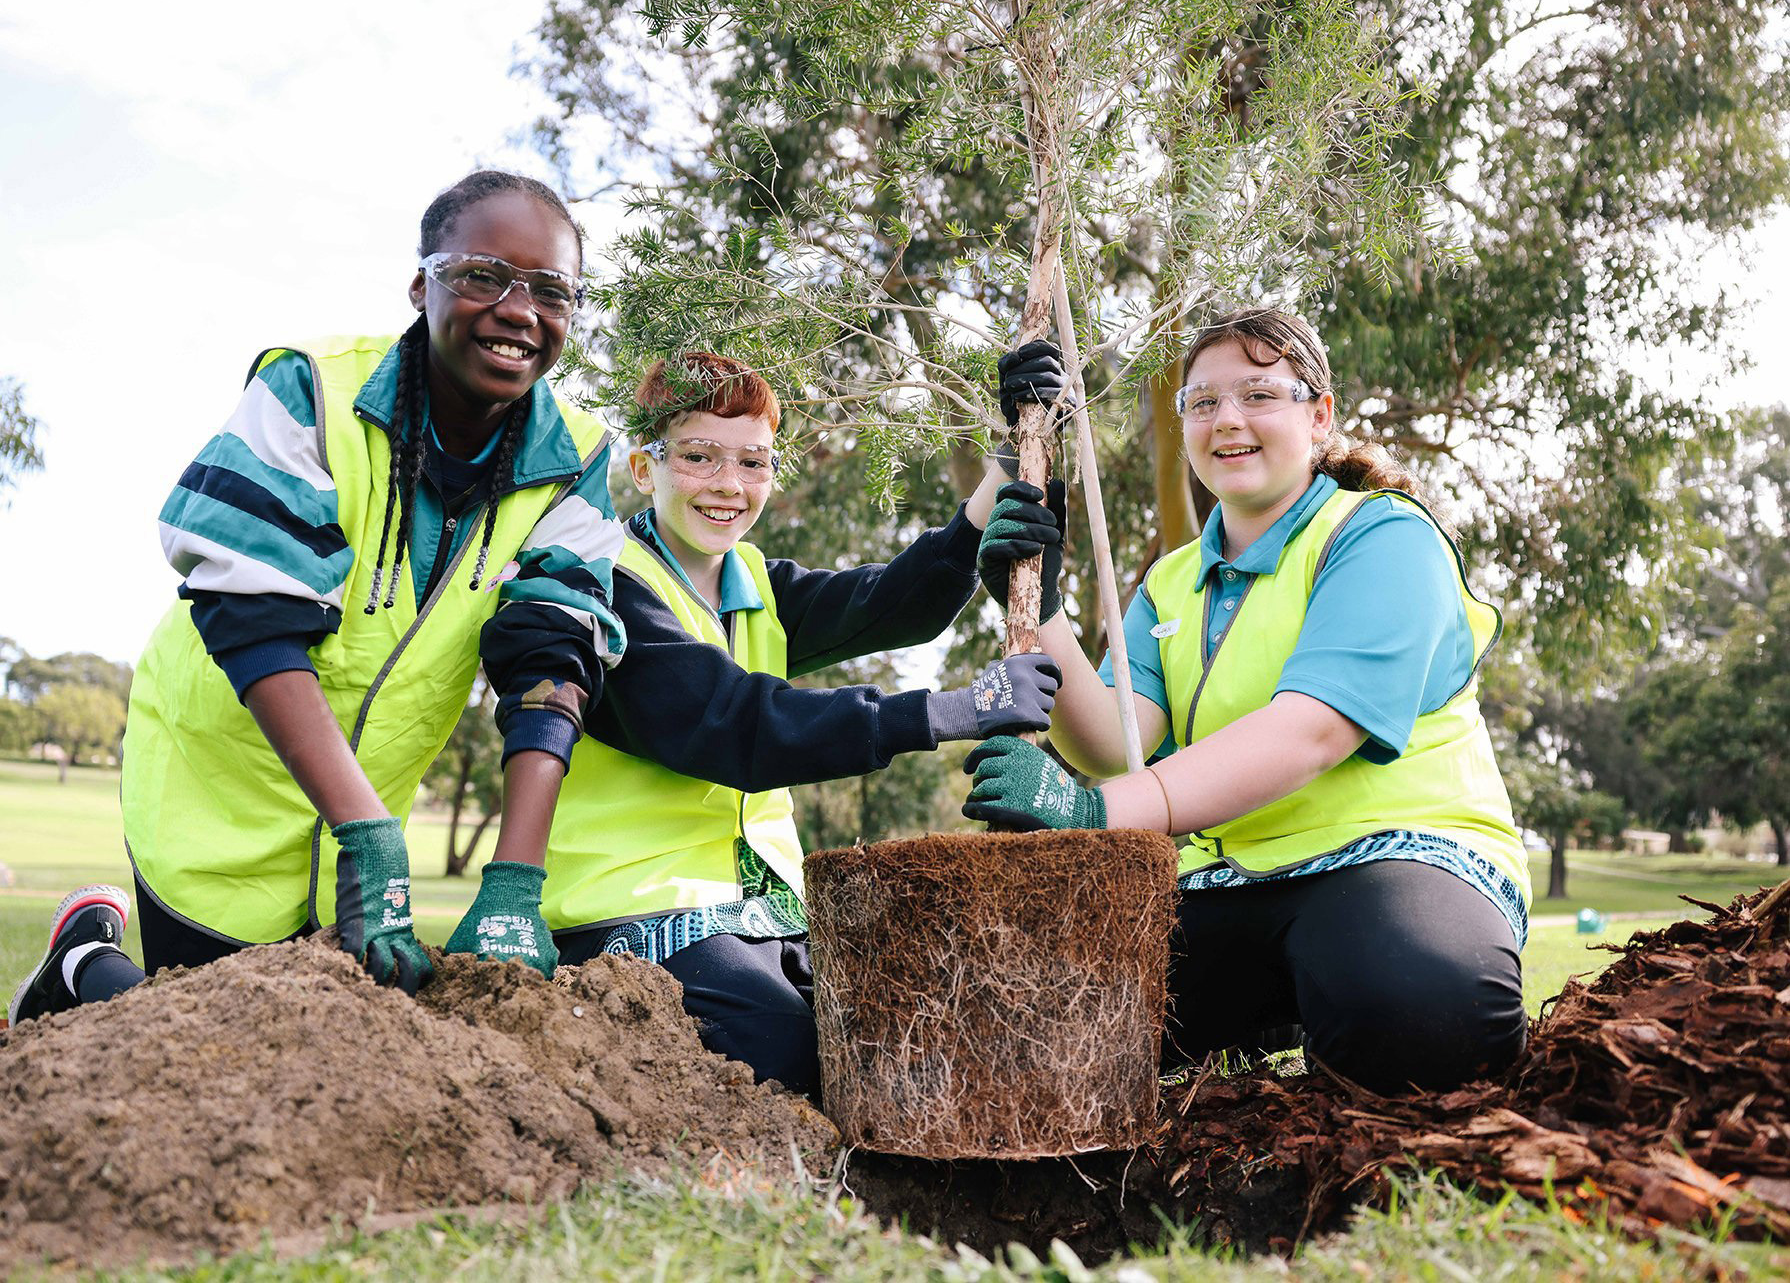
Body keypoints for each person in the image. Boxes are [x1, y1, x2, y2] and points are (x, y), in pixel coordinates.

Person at [9, 171, 626, 1026]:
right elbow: (254, 609)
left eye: (551, 290)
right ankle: (80, 966)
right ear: (421, 285)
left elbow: (551, 661)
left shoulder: (576, 460)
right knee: (216, 1030)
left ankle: (80, 964)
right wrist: (365, 833)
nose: (519, 310)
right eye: (482, 275)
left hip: (375, 792)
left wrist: (515, 879)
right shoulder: (311, 391)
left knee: (333, 1038)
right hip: (224, 776)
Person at [967, 309, 1531, 1094]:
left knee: (1419, 1011)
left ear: (1320, 415)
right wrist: (1044, 610)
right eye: (1203, 402)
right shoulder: (1170, 581)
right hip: (1221, 879)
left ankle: (1329, 1001)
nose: (1227, 419)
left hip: (1395, 855)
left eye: (1258, 395)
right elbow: (1113, 739)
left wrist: (1092, 812)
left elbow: (1309, 734)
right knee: (1029, 1023)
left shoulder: (1382, 536)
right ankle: (1265, 1017)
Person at [536, 352, 1061, 1097]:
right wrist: (955, 710)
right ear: (644, 469)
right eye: (699, 456)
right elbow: (733, 725)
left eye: (753, 461)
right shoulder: (607, 586)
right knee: (787, 1048)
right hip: (631, 913)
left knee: (904, 1031)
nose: (729, 484)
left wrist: (1009, 463)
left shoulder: (755, 583)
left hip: (770, 917)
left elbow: (891, 604)